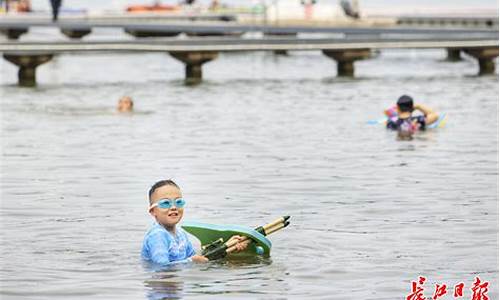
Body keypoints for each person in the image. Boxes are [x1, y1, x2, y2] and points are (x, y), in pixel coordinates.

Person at [142, 180, 249, 265]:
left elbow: (198, 258)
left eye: (179, 202)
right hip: (160, 288)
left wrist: (227, 248)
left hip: (177, 286)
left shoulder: (181, 234)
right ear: (153, 211)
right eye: (166, 203)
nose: (174, 207)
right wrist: (191, 261)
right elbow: (161, 267)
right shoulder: (157, 235)